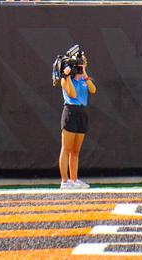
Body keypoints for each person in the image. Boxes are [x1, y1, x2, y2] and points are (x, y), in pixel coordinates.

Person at [56, 50, 96, 189]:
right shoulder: (64, 79)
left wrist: (84, 74)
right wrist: (66, 76)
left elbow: (93, 90)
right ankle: (64, 181)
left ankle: (74, 179)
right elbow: (72, 93)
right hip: (70, 113)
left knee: (75, 151)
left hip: (81, 113)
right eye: (77, 65)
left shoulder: (84, 80)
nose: (79, 67)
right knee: (66, 149)